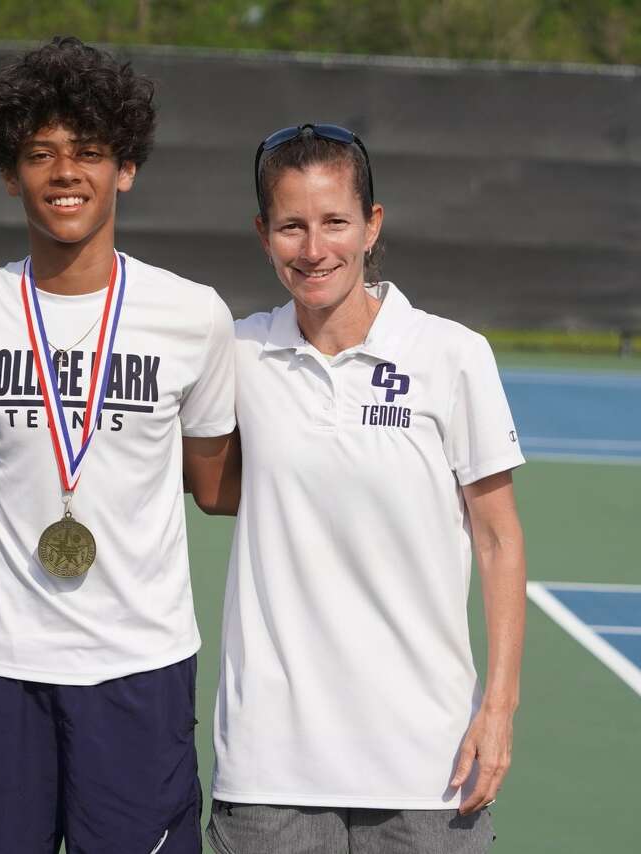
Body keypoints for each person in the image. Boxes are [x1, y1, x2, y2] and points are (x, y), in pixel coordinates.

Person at [0, 36, 240, 854]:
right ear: (10, 172)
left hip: (139, 671)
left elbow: (218, 485)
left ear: (127, 167)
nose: (65, 173)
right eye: (40, 154)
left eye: (88, 152)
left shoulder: (193, 316)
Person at [206, 124, 527, 853]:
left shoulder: (452, 355)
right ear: (264, 234)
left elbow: (499, 538)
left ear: (372, 226)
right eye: (291, 225)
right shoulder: (237, 351)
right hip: (269, 770)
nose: (314, 249)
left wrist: (499, 708)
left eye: (335, 223)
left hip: (429, 768)